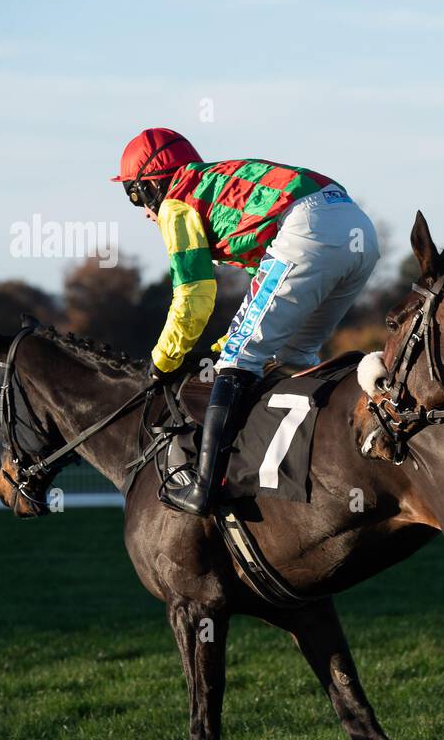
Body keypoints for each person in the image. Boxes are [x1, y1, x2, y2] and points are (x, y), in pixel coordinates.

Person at [112, 127, 380, 515]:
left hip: (308, 228)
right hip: (359, 230)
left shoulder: (175, 204)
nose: (144, 213)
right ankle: (322, 466)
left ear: (152, 186)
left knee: (239, 356)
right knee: (295, 355)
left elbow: (194, 296)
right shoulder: (210, 180)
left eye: (135, 197)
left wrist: (163, 360)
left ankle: (204, 487)